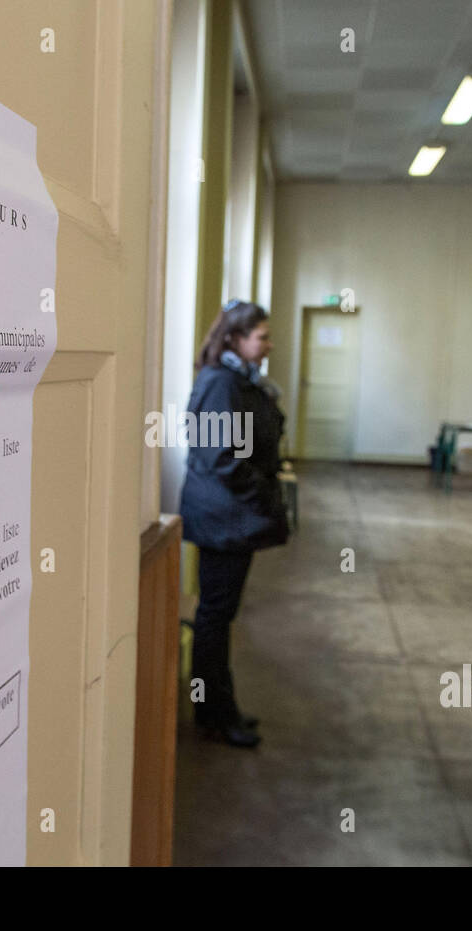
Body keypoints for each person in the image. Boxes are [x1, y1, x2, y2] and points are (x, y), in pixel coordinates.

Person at [179, 300, 289, 748]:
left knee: (219, 616)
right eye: (261, 336)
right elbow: (222, 458)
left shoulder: (239, 382)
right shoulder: (220, 384)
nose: (268, 344)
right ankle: (213, 715)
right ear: (235, 340)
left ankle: (220, 710)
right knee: (213, 618)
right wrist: (263, 493)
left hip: (231, 518)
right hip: (223, 519)